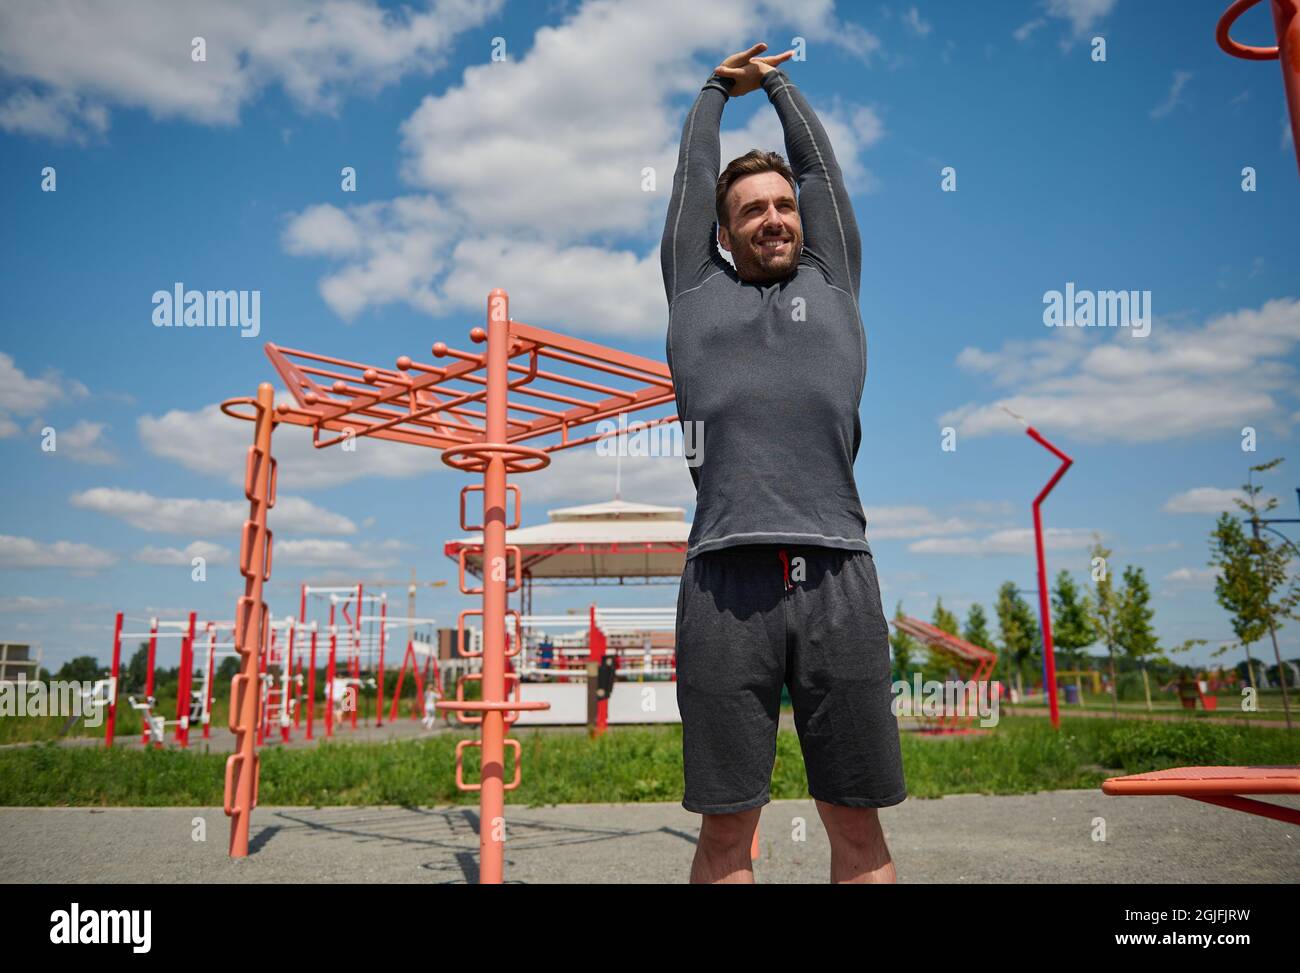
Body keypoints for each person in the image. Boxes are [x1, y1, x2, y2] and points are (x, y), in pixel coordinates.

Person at [662, 43, 905, 884]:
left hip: (839, 572)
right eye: (752, 210)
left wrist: (776, 84)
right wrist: (712, 95)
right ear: (724, 234)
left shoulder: (834, 282)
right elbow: (691, 185)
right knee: (727, 833)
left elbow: (822, 173)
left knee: (858, 827)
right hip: (726, 585)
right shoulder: (696, 295)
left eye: (782, 205)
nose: (774, 217)